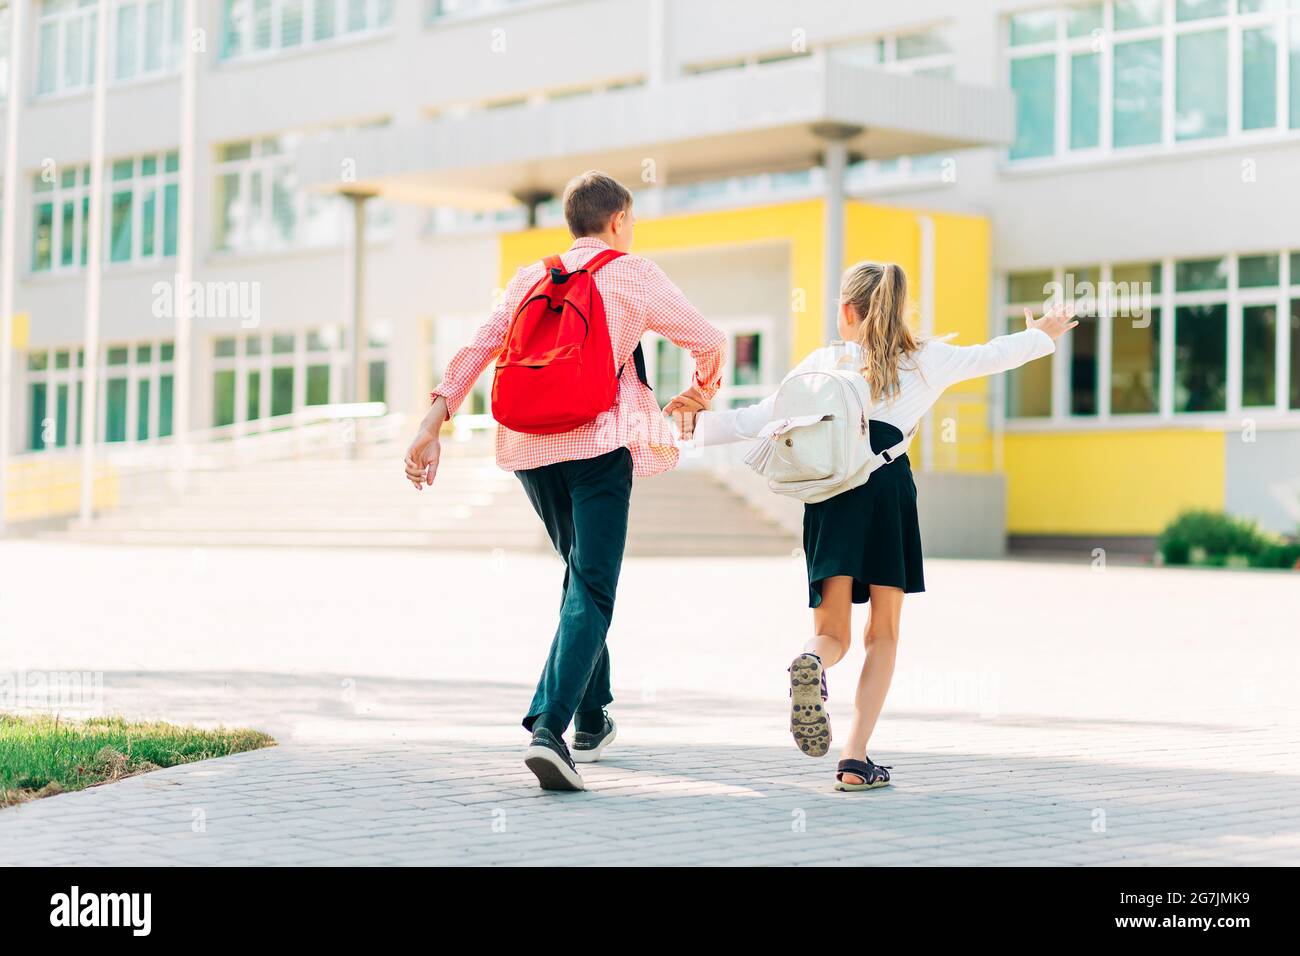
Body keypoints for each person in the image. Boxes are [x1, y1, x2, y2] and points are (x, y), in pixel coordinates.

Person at [670, 261, 1075, 791]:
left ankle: (812, 660)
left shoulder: (822, 363)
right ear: (898, 307)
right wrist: (1039, 334)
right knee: (882, 633)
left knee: (830, 631)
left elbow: (756, 419)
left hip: (831, 495)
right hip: (886, 494)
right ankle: (855, 760)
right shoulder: (928, 359)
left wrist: (683, 425)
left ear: (846, 311)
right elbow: (993, 355)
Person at [404, 171, 726, 792]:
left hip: (529, 447)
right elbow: (708, 339)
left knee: (582, 576)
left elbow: (480, 346)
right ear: (619, 219)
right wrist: (696, 396)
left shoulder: (532, 275)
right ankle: (548, 729)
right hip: (597, 444)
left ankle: (592, 717)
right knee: (595, 587)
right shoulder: (633, 272)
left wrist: (433, 420)